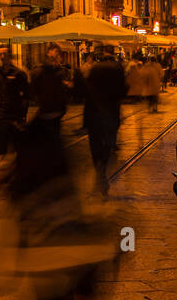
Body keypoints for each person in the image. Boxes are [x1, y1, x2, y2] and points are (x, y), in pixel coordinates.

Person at [80, 43, 127, 196]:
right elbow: (122, 90)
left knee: (94, 144)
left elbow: (86, 91)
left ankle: (98, 170)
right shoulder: (117, 68)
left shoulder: (95, 68)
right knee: (108, 143)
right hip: (111, 112)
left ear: (102, 53)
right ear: (112, 53)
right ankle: (102, 168)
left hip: (94, 112)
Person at [0, 45, 30, 156]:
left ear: (9, 56)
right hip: (2, 115)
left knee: (18, 147)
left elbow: (25, 97)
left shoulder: (19, 74)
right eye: (0, 54)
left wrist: (23, 117)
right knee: (1, 147)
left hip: (15, 116)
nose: (2, 57)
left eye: (4, 54)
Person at [31, 42, 71, 138]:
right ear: (49, 53)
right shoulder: (43, 70)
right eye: (55, 51)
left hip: (56, 109)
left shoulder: (59, 69)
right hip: (48, 108)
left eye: (58, 52)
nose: (57, 54)